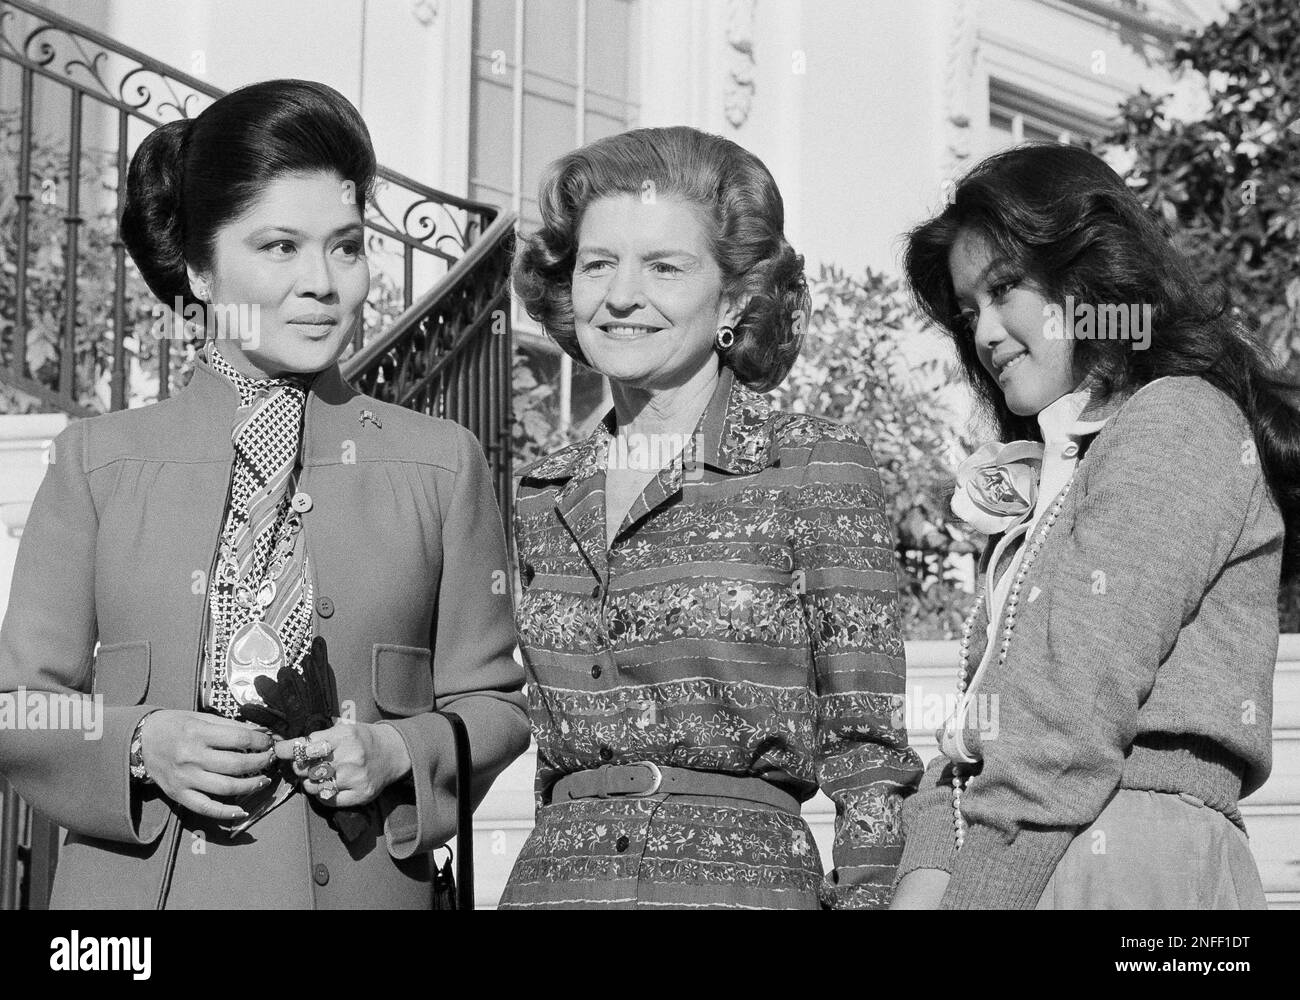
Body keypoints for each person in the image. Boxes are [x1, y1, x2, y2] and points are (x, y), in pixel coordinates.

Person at [0, 79, 529, 908]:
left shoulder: (443, 466)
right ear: (201, 271)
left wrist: (398, 754)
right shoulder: (97, 464)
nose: (323, 282)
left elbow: (493, 708)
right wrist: (140, 744)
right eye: (279, 247)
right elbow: (17, 708)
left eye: (346, 247)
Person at [498, 126, 923, 909]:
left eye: (664, 266)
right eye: (598, 264)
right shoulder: (542, 489)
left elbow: (870, 754)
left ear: (732, 298)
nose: (621, 294)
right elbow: (551, 765)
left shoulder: (813, 468)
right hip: (556, 888)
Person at [892, 143, 1300, 909]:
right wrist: (928, 870)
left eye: (1006, 287)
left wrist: (975, 895)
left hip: (1131, 853)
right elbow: (985, 730)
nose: (983, 332)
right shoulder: (1071, 462)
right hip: (1046, 843)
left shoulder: (1178, 420)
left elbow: (1068, 710)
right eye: (968, 309)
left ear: (1089, 279)